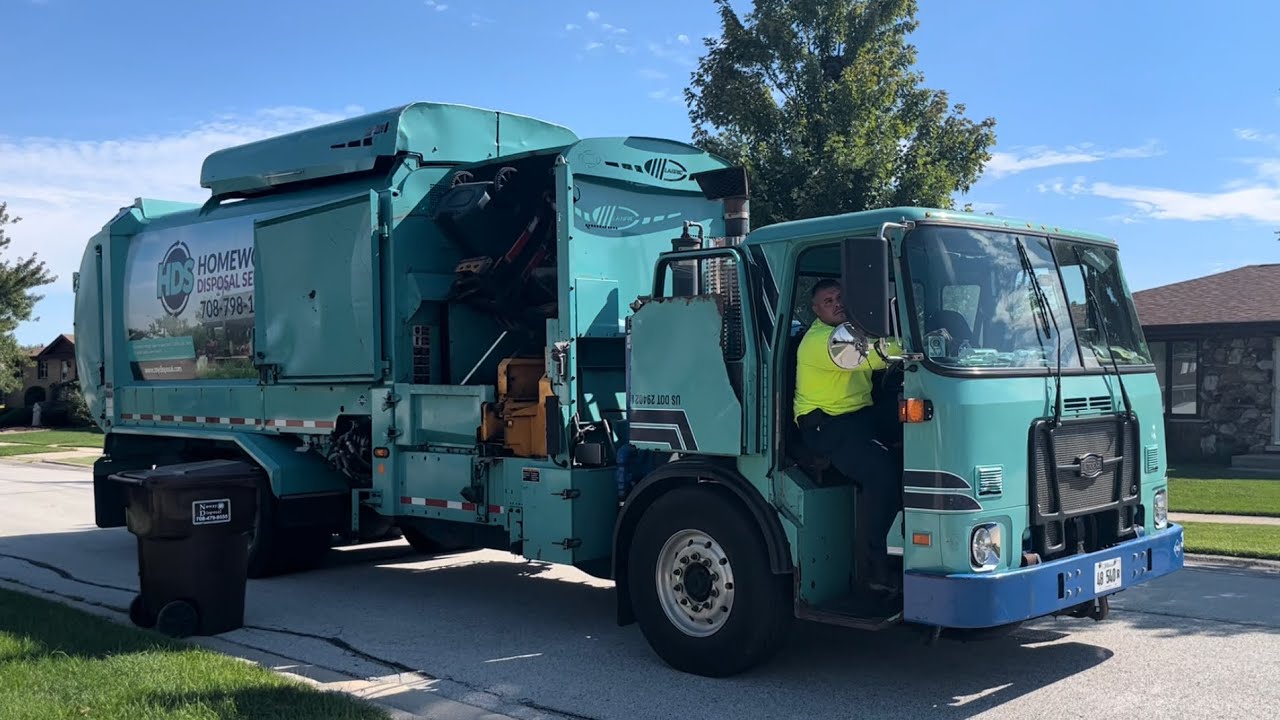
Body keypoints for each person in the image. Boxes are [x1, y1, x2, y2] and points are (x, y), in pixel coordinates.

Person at [793, 279, 903, 594]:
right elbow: (872, 356)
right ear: (815, 310)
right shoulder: (821, 341)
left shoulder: (852, 330)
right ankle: (873, 568)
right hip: (826, 424)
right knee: (881, 474)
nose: (836, 303)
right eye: (828, 300)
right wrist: (915, 346)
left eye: (840, 297)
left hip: (858, 415)